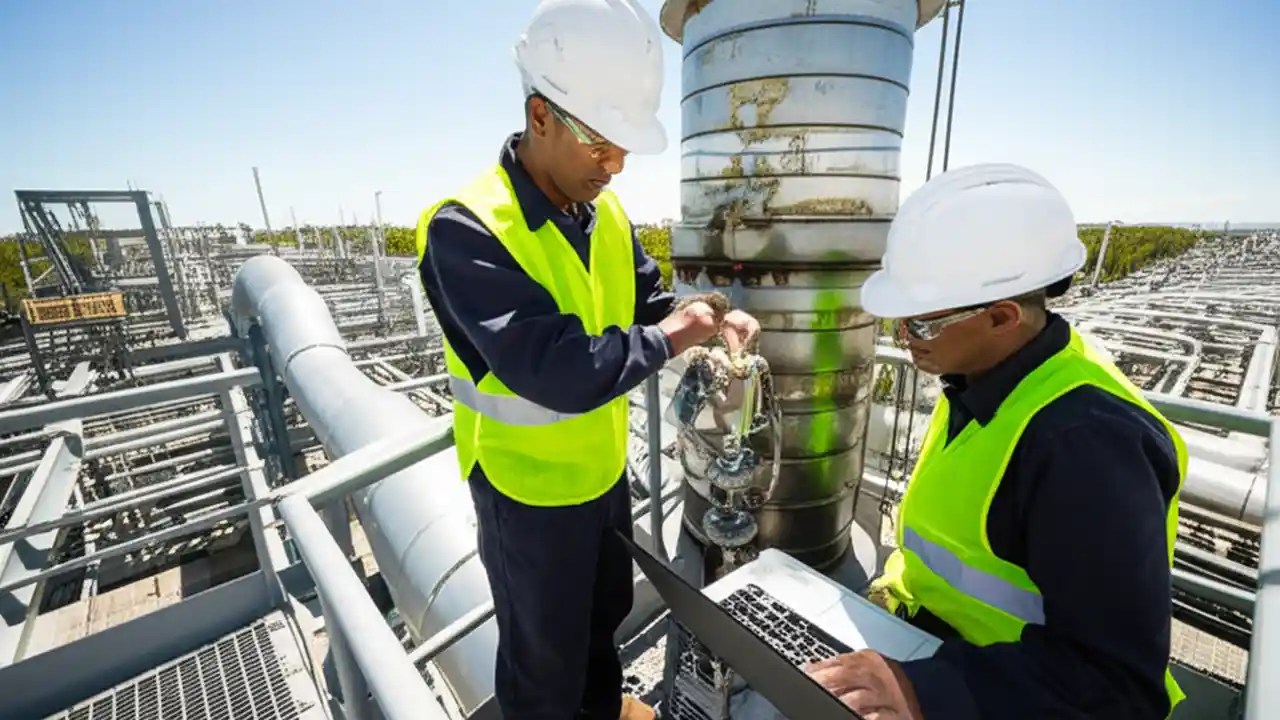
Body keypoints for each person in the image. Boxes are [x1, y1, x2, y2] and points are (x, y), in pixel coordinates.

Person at [414, 1, 759, 718]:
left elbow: (650, 300)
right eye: (602, 143)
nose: (617, 164)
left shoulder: (605, 214)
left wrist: (712, 315)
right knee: (544, 666)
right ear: (541, 116)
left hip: (601, 478)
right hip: (527, 497)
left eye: (626, 147)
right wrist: (673, 337)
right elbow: (553, 366)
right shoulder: (468, 229)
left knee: (600, 625)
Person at [804, 163, 1187, 720]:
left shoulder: (1086, 446)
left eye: (921, 325)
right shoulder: (982, 376)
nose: (904, 339)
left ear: (1002, 316)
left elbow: (1117, 687)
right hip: (934, 647)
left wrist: (923, 692)